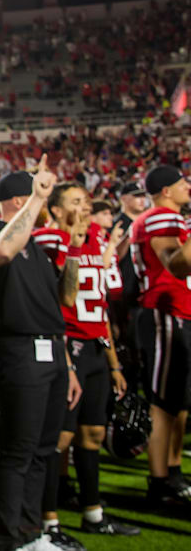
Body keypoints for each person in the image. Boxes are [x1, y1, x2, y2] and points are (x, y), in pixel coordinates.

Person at [0, 159, 84, 551]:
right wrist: (38, 200)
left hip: (52, 352)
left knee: (43, 450)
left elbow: (62, 302)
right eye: (36, 196)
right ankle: (11, 539)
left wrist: (67, 365)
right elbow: (2, 252)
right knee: (19, 450)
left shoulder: (36, 248)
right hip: (18, 351)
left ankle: (32, 533)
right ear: (22, 200)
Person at [31, 183, 138, 539]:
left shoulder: (96, 236)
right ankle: (48, 522)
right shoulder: (48, 239)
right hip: (67, 346)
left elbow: (101, 307)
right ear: (56, 210)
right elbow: (60, 299)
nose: (86, 207)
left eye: (87, 201)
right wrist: (73, 244)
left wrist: (113, 362)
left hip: (94, 347)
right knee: (59, 439)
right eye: (76, 202)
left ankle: (93, 514)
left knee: (92, 434)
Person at [128, 165, 191, 507]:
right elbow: (177, 265)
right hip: (165, 311)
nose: (187, 187)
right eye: (183, 183)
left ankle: (173, 471)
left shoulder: (168, 218)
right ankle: (159, 481)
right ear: (166, 190)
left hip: (178, 310)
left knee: (178, 402)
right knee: (163, 404)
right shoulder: (161, 217)